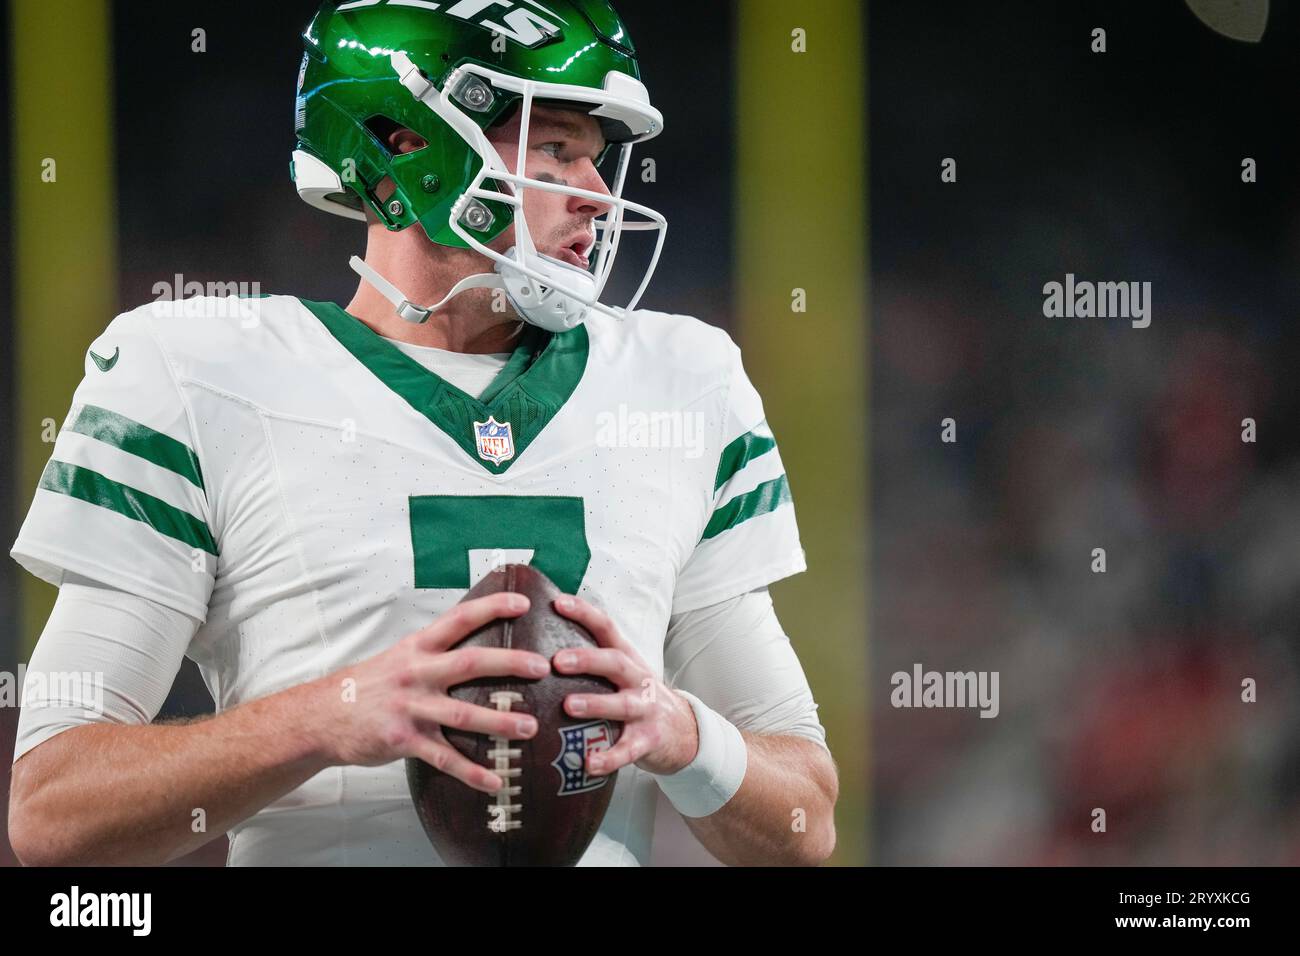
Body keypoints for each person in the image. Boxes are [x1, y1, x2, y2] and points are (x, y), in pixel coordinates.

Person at [7, 0, 836, 866]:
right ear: (408, 143)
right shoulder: (196, 371)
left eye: (597, 158)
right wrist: (325, 717)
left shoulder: (684, 381)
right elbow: (56, 817)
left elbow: (803, 828)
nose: (596, 193)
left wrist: (682, 733)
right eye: (555, 149)